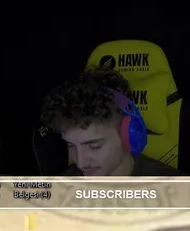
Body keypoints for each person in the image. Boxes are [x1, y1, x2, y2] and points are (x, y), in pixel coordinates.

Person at [39, 67, 181, 176]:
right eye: (71, 145)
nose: (81, 163)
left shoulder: (180, 193)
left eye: (94, 146)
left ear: (129, 136)